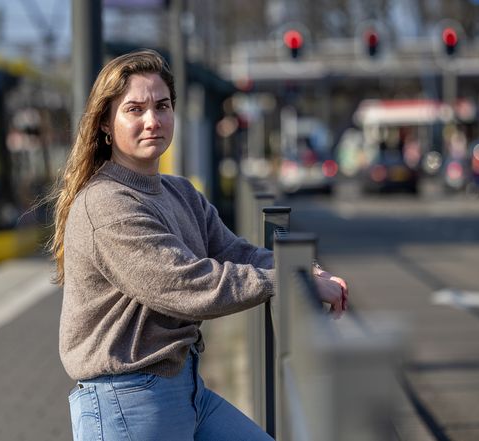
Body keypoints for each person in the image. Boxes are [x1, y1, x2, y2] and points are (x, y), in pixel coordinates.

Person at [50, 49, 348, 441]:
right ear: (106, 123)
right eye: (134, 110)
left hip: (186, 388)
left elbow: (232, 251)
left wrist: (304, 269)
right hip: (126, 401)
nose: (152, 120)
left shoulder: (179, 192)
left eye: (162, 105)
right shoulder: (105, 202)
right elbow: (184, 285)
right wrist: (286, 281)